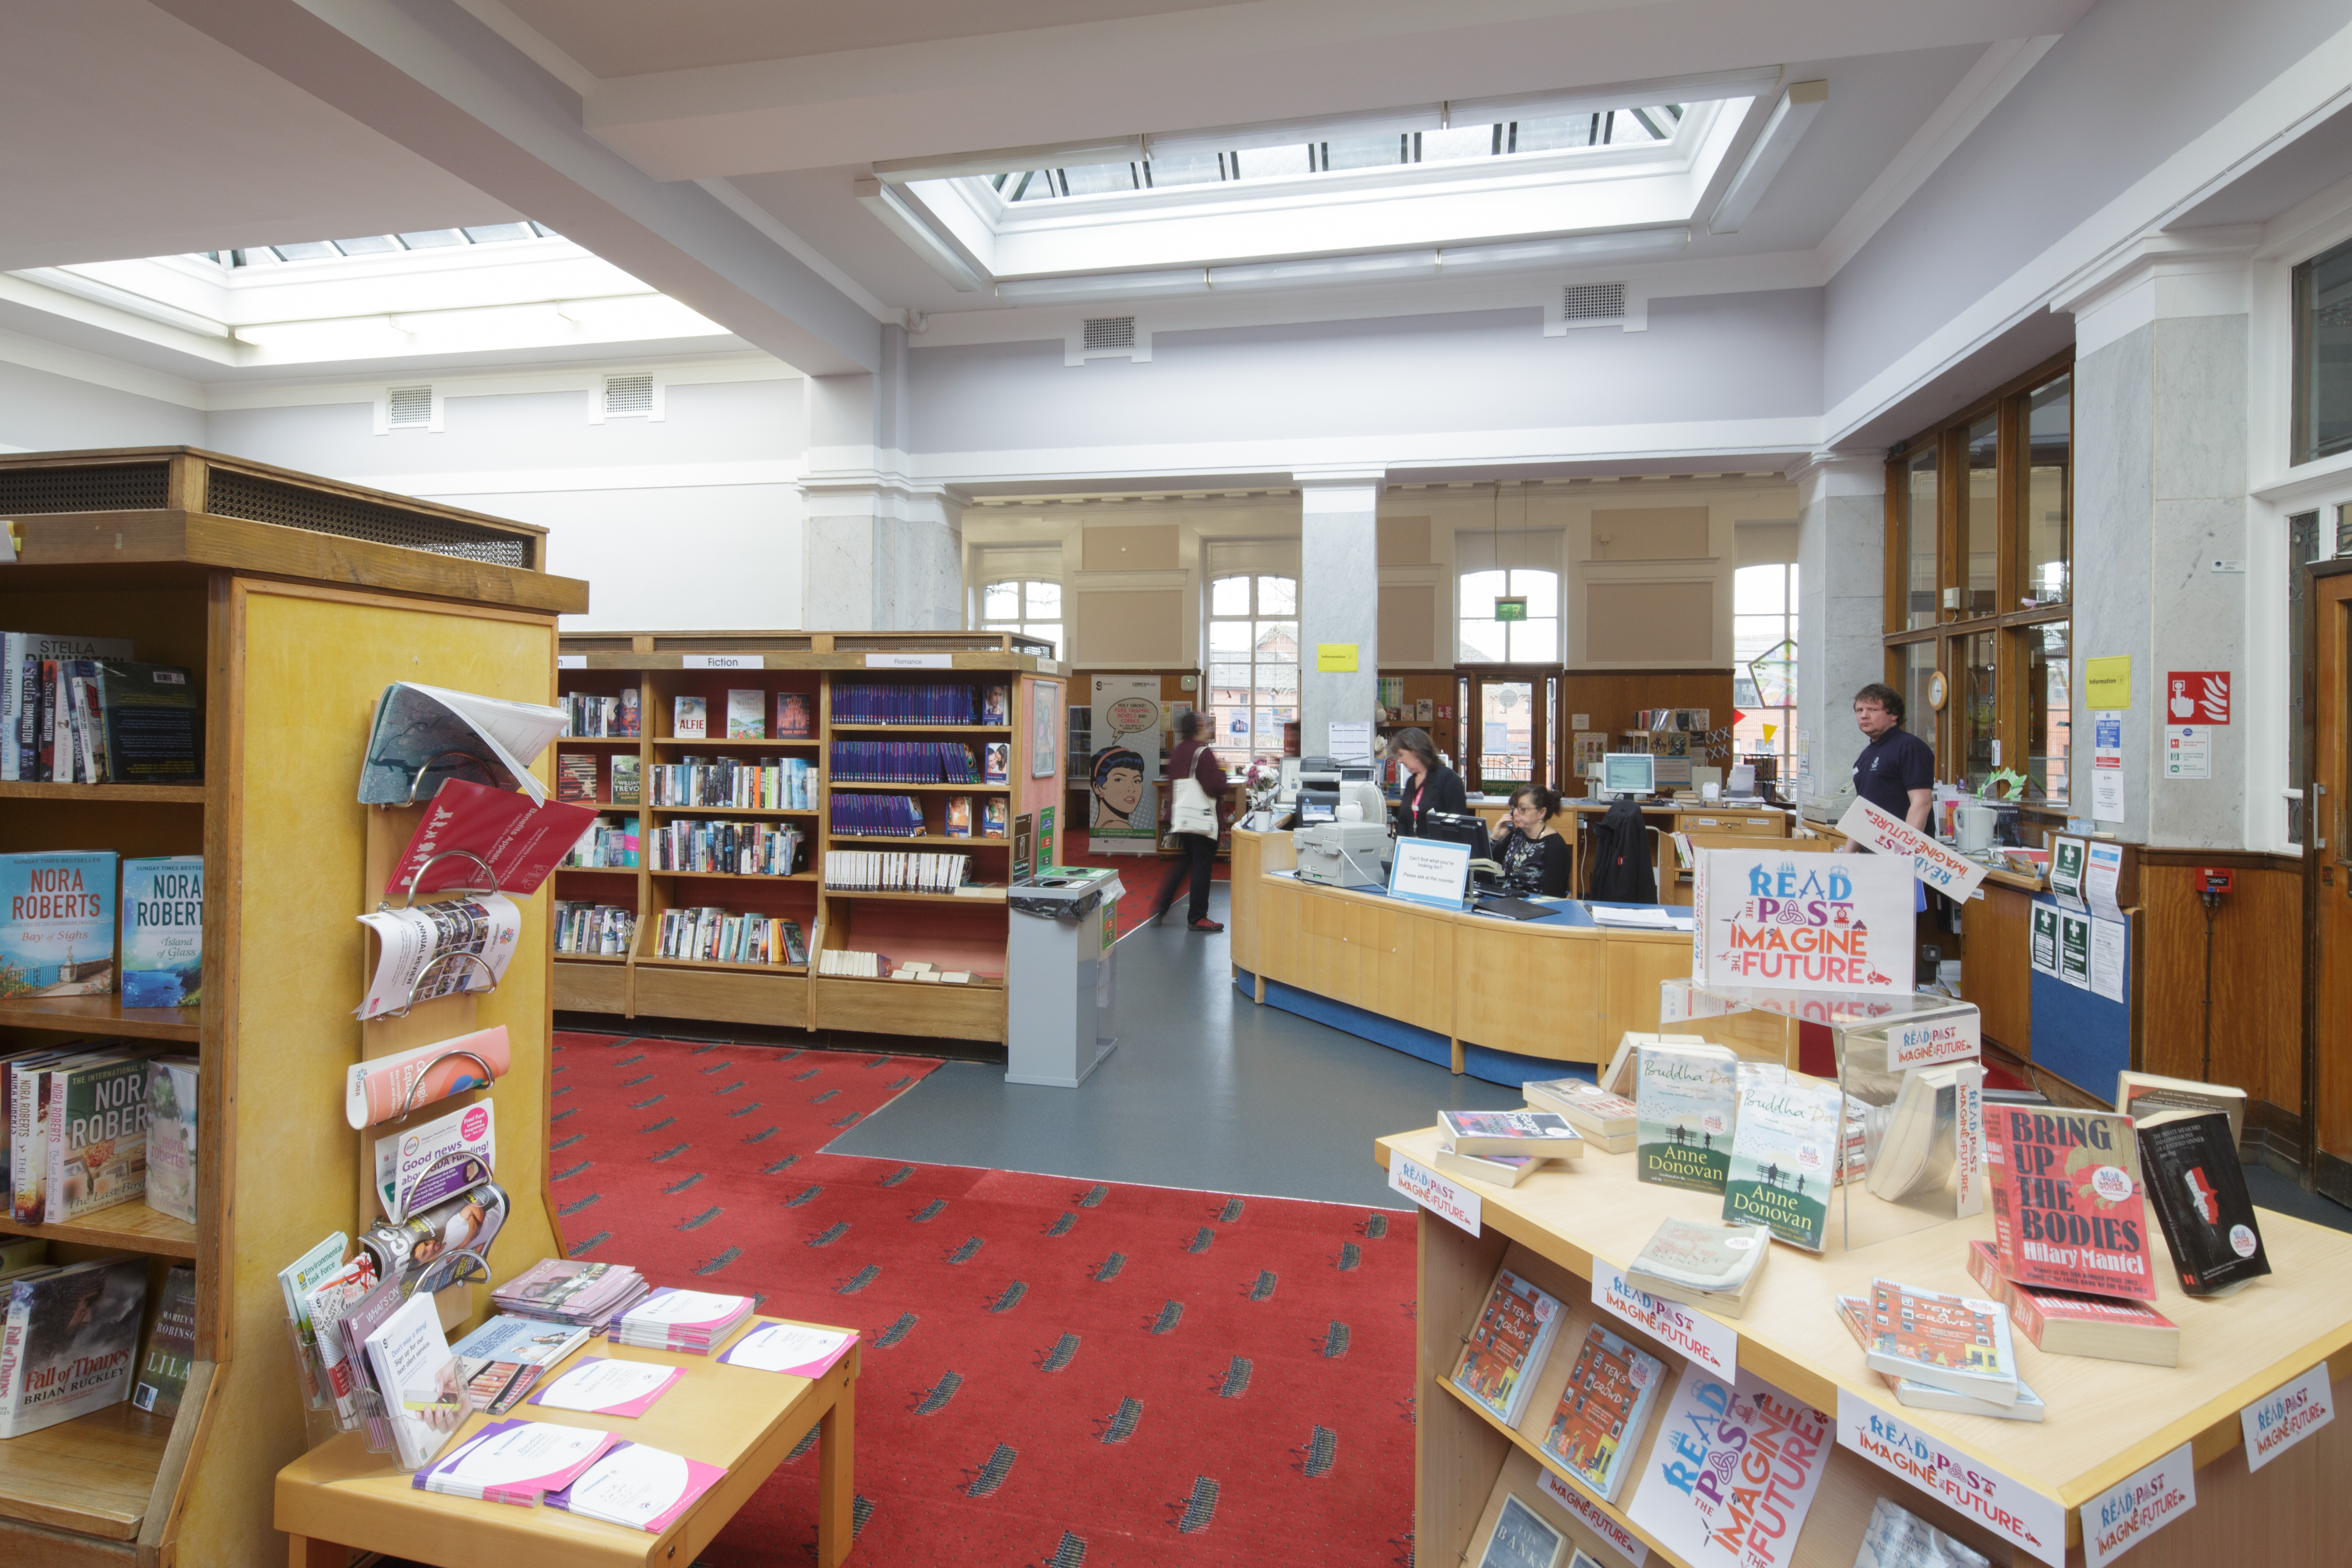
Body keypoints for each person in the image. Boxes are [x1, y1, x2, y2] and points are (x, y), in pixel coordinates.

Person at [1151, 711, 1225, 931]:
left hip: (1183, 818)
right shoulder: (1203, 753)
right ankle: (1198, 917)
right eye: (1205, 724)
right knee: (1202, 867)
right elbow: (1215, 786)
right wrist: (1223, 769)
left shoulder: (1179, 751)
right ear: (1199, 728)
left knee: (1185, 863)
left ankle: (1162, 905)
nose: (1208, 728)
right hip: (1201, 821)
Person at [1846, 682, 1935, 847]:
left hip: (1902, 856)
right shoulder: (1866, 754)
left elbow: (1922, 803)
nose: (1864, 716)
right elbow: (1862, 812)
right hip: (1872, 856)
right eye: (1860, 710)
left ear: (1894, 715)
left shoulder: (1909, 747)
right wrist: (1847, 859)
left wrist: (1903, 854)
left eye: (1873, 710)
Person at [1488, 783, 1571, 896]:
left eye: (1523, 809)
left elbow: (1554, 894)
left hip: (1536, 907)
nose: (1516, 814)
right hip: (1507, 902)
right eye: (1514, 808)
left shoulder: (1555, 846)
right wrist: (1495, 838)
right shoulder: (1515, 835)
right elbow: (1489, 867)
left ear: (1541, 813)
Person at [1389, 727, 1466, 837]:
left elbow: (1456, 825)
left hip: (1438, 850)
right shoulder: (1411, 782)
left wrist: (1422, 840)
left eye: (1401, 755)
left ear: (1415, 751)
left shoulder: (1449, 779)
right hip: (1411, 851)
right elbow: (1403, 822)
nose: (1399, 761)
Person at [1089, 747, 1147, 833]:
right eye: (1119, 780)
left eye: (1137, 781)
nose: (1131, 789)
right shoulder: (1119, 827)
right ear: (1098, 788)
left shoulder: (1101, 826)